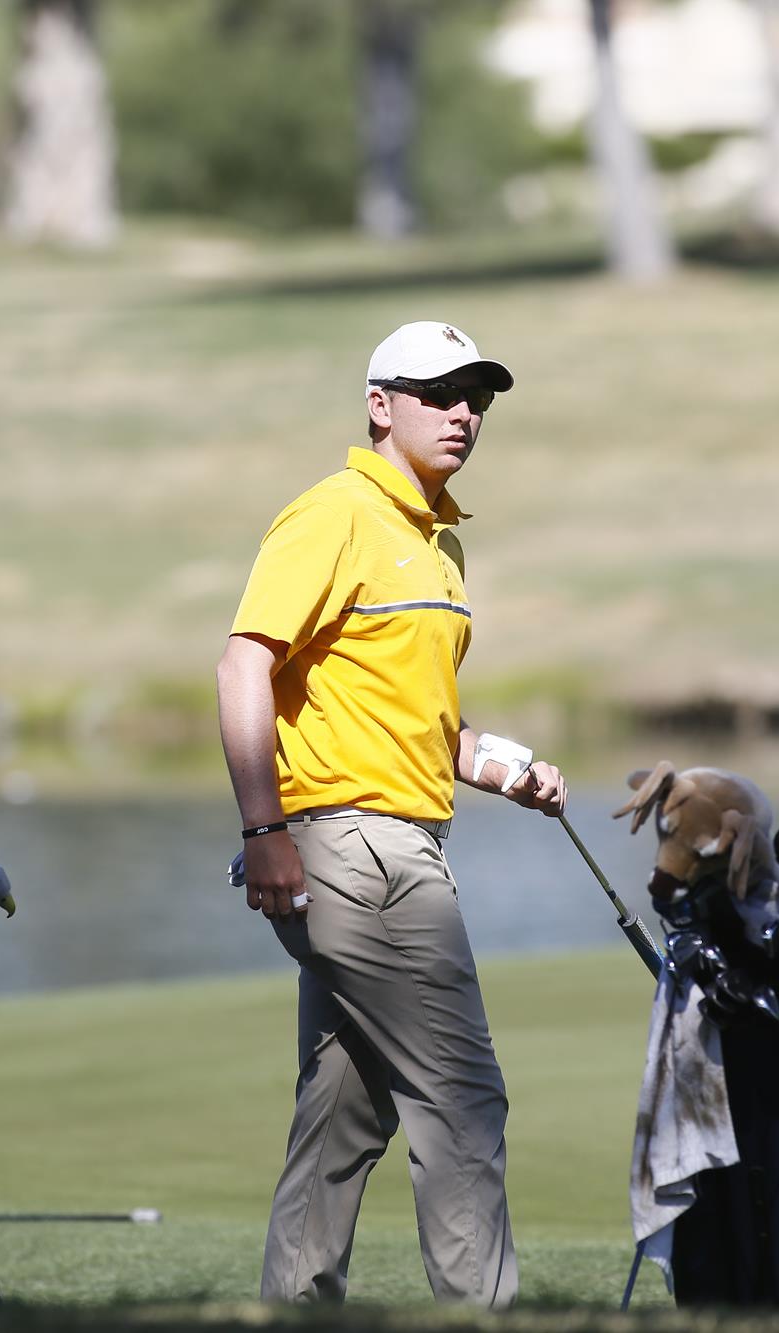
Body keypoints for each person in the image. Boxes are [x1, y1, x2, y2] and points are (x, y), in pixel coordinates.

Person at [215, 320, 568, 1308]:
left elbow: (407, 718)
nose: (464, 413)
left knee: (343, 1113)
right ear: (381, 404)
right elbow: (244, 662)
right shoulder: (333, 514)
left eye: (478, 398)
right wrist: (262, 831)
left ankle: (293, 1310)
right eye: (440, 393)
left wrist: (501, 766)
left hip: (393, 837)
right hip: (357, 849)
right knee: (461, 1097)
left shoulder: (435, 542)